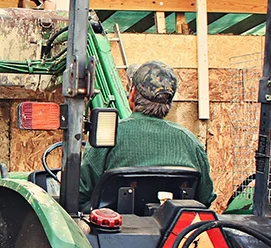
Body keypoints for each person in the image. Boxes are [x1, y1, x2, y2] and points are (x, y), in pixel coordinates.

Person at [79, 60, 215, 210]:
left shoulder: (107, 135)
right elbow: (205, 199)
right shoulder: (190, 141)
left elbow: (81, 194)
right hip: (175, 224)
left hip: (116, 224)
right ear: (169, 103)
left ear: (132, 95)